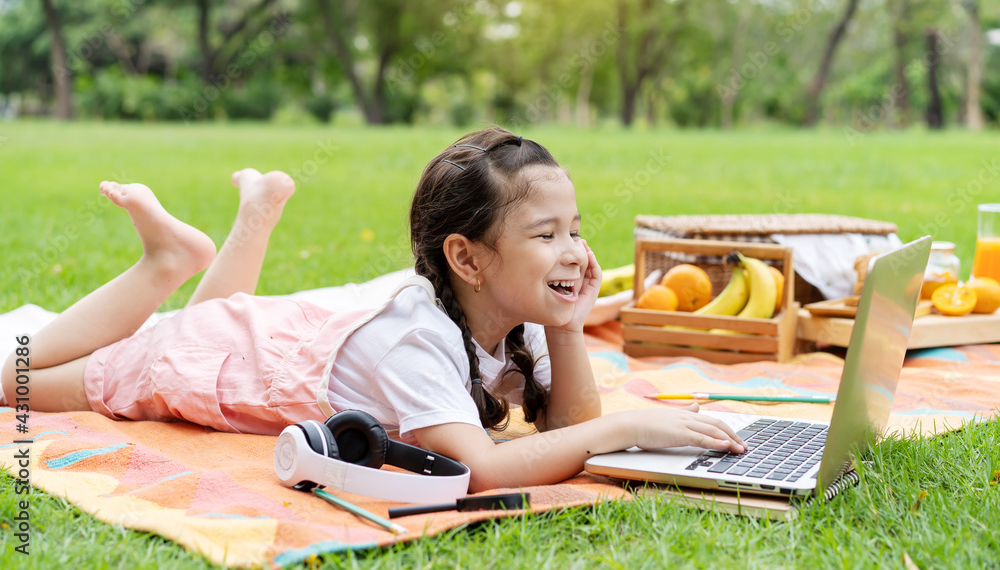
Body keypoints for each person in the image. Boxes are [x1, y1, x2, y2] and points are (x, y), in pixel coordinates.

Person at [2, 127, 745, 491]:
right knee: (20, 379)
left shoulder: (519, 312)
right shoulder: (414, 340)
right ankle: (163, 263)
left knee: (210, 319)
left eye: (575, 229)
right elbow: (480, 470)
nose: (574, 250)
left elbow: (569, 428)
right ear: (467, 258)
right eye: (547, 234)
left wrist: (570, 327)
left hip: (258, 333)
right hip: (210, 361)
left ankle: (239, 225)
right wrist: (626, 424)